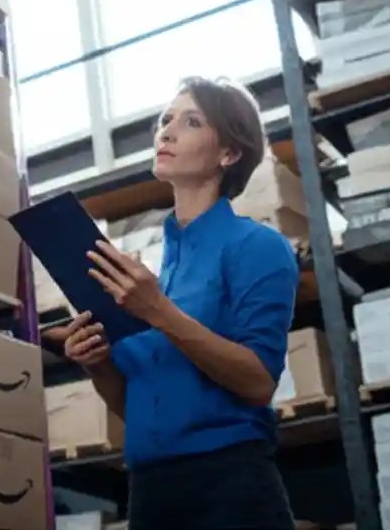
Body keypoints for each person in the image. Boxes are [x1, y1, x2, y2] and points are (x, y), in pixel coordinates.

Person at [45, 76, 299, 530]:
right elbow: (135, 407)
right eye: (165, 120)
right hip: (150, 492)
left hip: (231, 490)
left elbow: (259, 382)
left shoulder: (258, 247)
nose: (167, 131)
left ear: (229, 153)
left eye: (191, 121)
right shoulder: (154, 275)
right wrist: (98, 363)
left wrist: (157, 310)